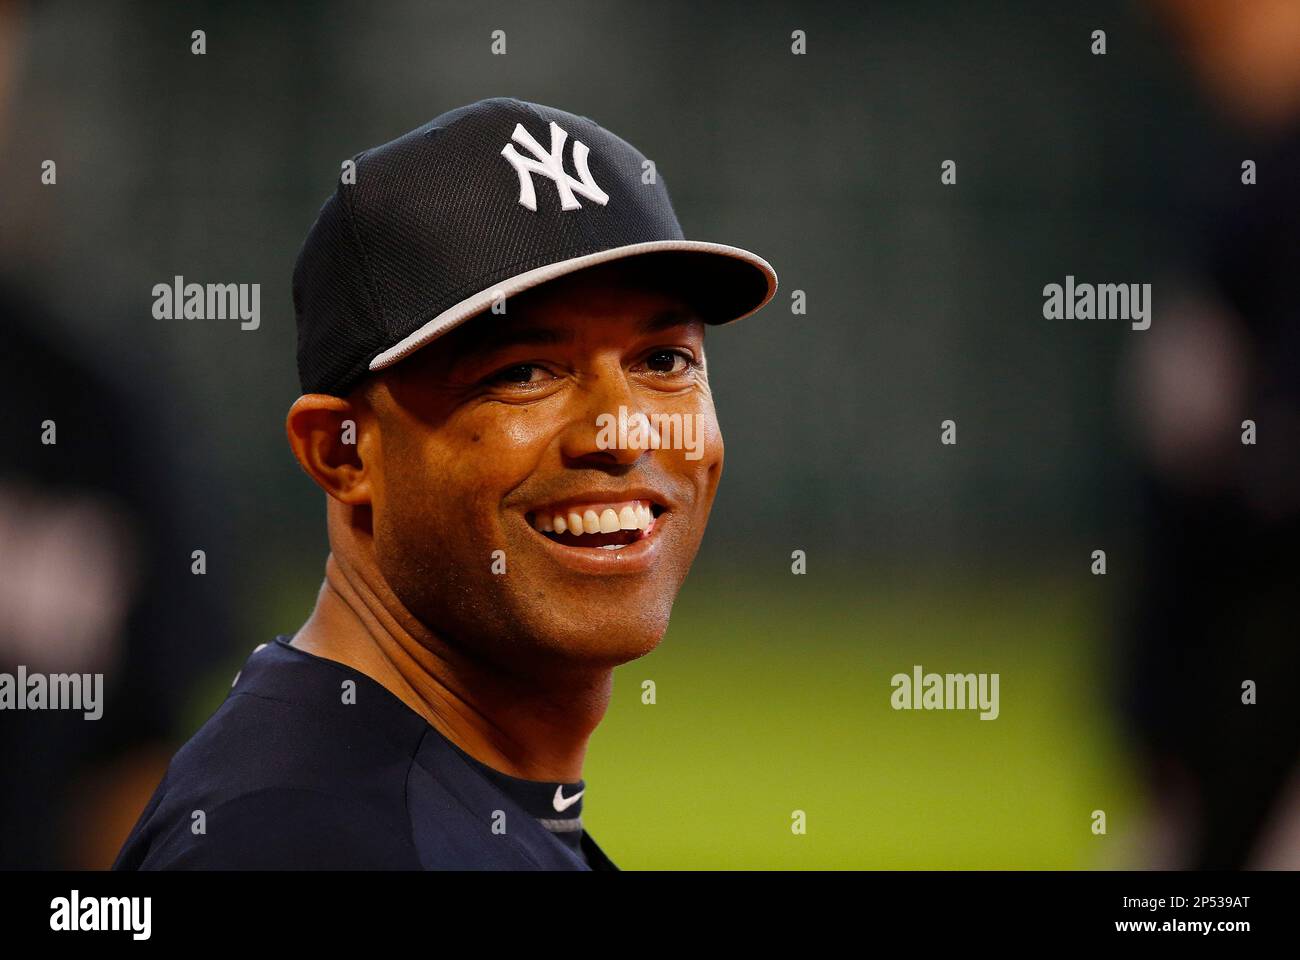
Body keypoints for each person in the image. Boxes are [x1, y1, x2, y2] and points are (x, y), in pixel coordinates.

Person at [113, 97, 777, 870]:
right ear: (343, 454)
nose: (623, 432)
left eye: (664, 361)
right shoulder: (298, 841)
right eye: (523, 373)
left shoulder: (391, 791)